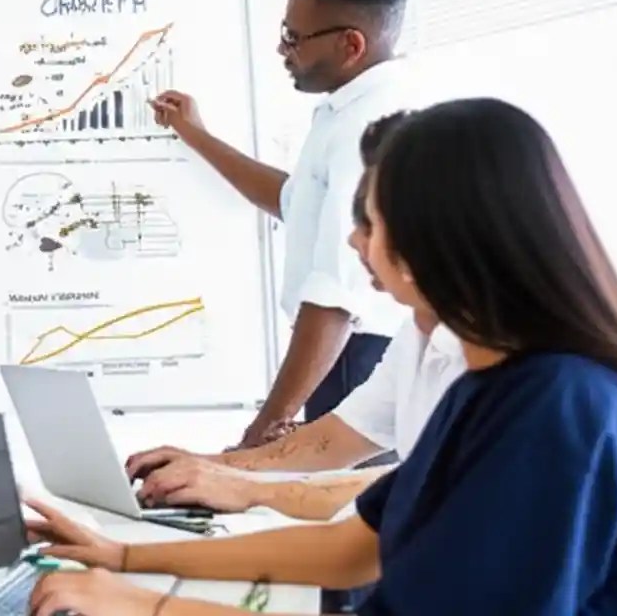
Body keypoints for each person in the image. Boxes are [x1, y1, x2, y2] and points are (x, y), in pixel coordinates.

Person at [24, 98, 617, 615]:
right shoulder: (486, 391)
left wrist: (143, 605)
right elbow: (360, 544)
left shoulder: (558, 407)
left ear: (440, 236)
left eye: (371, 222)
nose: (354, 240)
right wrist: (126, 558)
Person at [129, 111, 470, 522]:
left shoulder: (524, 370)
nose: (352, 239)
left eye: (369, 221)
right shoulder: (419, 334)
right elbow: (334, 440)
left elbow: (412, 488)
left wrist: (246, 487)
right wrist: (214, 465)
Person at [149, 0, 414, 448]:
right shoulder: (346, 112)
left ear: (350, 45)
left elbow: (334, 298)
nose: (282, 50)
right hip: (340, 360)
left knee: (325, 511)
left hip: (350, 360)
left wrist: (258, 438)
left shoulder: (370, 123)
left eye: (294, 37)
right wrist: (196, 134)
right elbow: (294, 200)